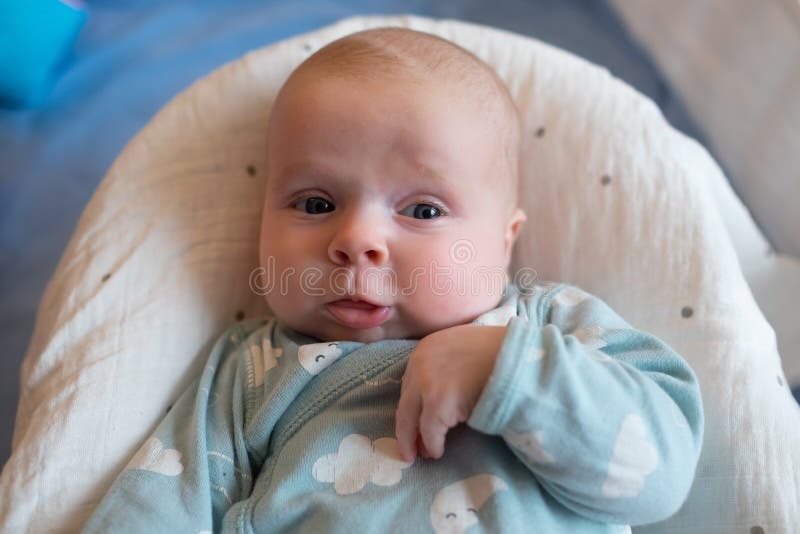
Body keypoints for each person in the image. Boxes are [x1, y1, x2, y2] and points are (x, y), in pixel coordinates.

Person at [84, 27, 703, 533]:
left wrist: (508, 372)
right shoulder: (250, 370)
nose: (356, 239)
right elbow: (158, 506)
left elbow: (661, 473)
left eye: (424, 211)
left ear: (502, 242)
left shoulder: (546, 327)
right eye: (316, 203)